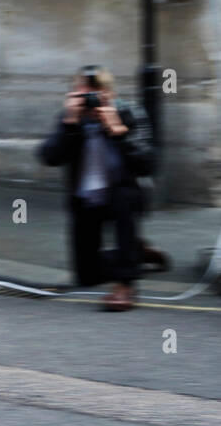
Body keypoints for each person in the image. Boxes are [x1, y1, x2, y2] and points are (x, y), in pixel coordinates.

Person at [38, 66, 163, 312]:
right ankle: (136, 253)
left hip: (123, 195)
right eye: (81, 91)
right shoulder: (72, 120)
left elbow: (148, 164)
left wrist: (120, 133)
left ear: (108, 94)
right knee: (87, 277)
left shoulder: (129, 112)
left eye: (94, 91)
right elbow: (48, 157)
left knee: (123, 198)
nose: (89, 99)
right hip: (87, 201)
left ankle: (125, 285)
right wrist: (69, 125)